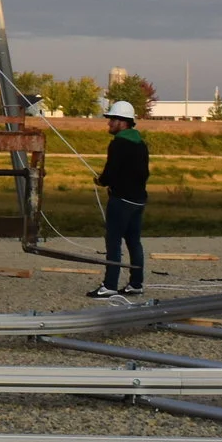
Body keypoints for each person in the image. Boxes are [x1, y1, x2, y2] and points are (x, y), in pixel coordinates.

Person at [90, 99, 147, 299]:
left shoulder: (118, 144)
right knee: (134, 242)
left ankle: (110, 285)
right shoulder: (141, 144)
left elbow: (110, 173)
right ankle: (136, 284)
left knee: (113, 242)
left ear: (122, 122)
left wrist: (101, 181)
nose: (109, 123)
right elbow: (142, 174)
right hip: (138, 201)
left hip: (121, 201)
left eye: (112, 119)